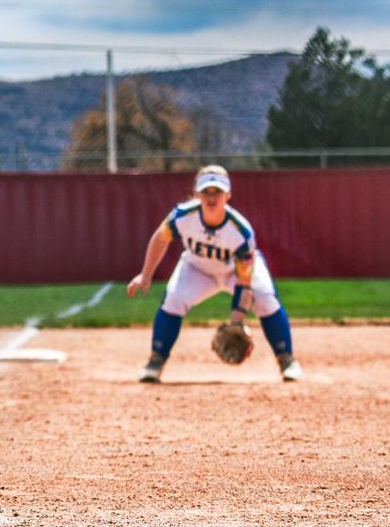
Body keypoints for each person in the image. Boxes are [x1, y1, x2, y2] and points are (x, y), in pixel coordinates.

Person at [126, 164, 303, 384]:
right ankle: (155, 361)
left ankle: (286, 360)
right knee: (174, 299)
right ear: (197, 194)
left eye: (217, 192)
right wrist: (145, 275)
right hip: (197, 268)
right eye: (206, 192)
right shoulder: (182, 216)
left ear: (228, 195)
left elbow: (244, 279)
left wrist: (237, 319)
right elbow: (160, 238)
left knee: (266, 299)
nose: (212, 197)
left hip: (234, 272)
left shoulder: (240, 231)